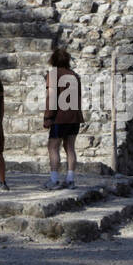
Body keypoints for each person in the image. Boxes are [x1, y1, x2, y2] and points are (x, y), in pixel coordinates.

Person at [44, 49, 81, 187]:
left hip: (59, 116)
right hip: (74, 116)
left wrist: (48, 116)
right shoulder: (74, 75)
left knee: (53, 146)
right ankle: (70, 179)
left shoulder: (53, 75)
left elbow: (52, 97)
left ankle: (54, 179)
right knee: (70, 147)